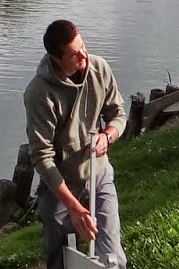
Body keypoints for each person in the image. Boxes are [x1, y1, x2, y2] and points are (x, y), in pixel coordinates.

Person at [24, 20, 129, 268]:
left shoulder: (99, 68)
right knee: (58, 257)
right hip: (60, 183)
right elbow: (42, 158)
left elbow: (118, 115)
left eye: (83, 46)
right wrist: (73, 206)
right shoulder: (38, 94)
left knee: (112, 257)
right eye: (74, 53)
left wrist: (108, 136)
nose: (84, 55)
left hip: (98, 174)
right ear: (56, 58)